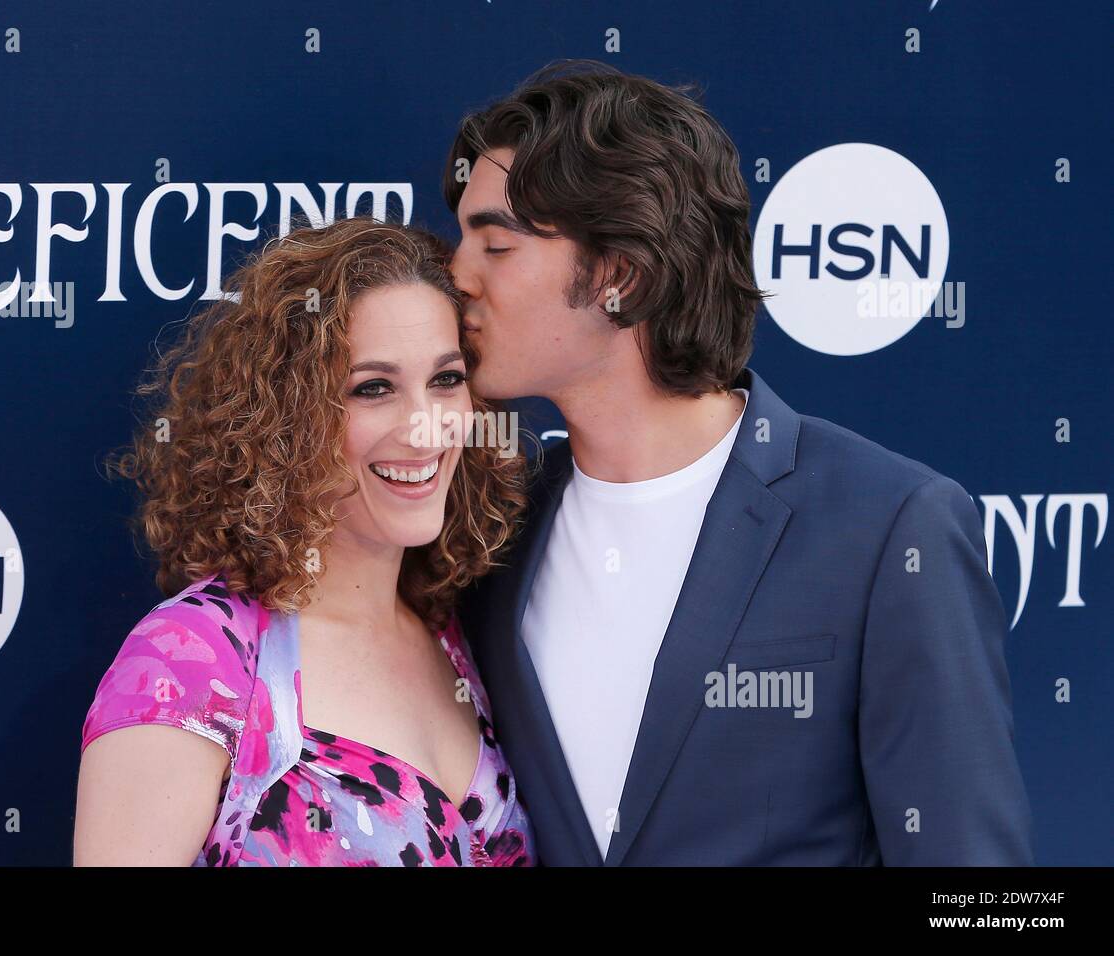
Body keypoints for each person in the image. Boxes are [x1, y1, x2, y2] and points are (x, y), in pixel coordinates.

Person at [443, 60, 1035, 865]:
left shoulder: (889, 527)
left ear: (621, 274)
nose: (456, 273)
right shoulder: (490, 539)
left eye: (497, 244)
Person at [73, 216, 534, 866]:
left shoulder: (456, 641)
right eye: (373, 388)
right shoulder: (192, 661)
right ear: (288, 417)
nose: (427, 430)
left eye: (446, 380)